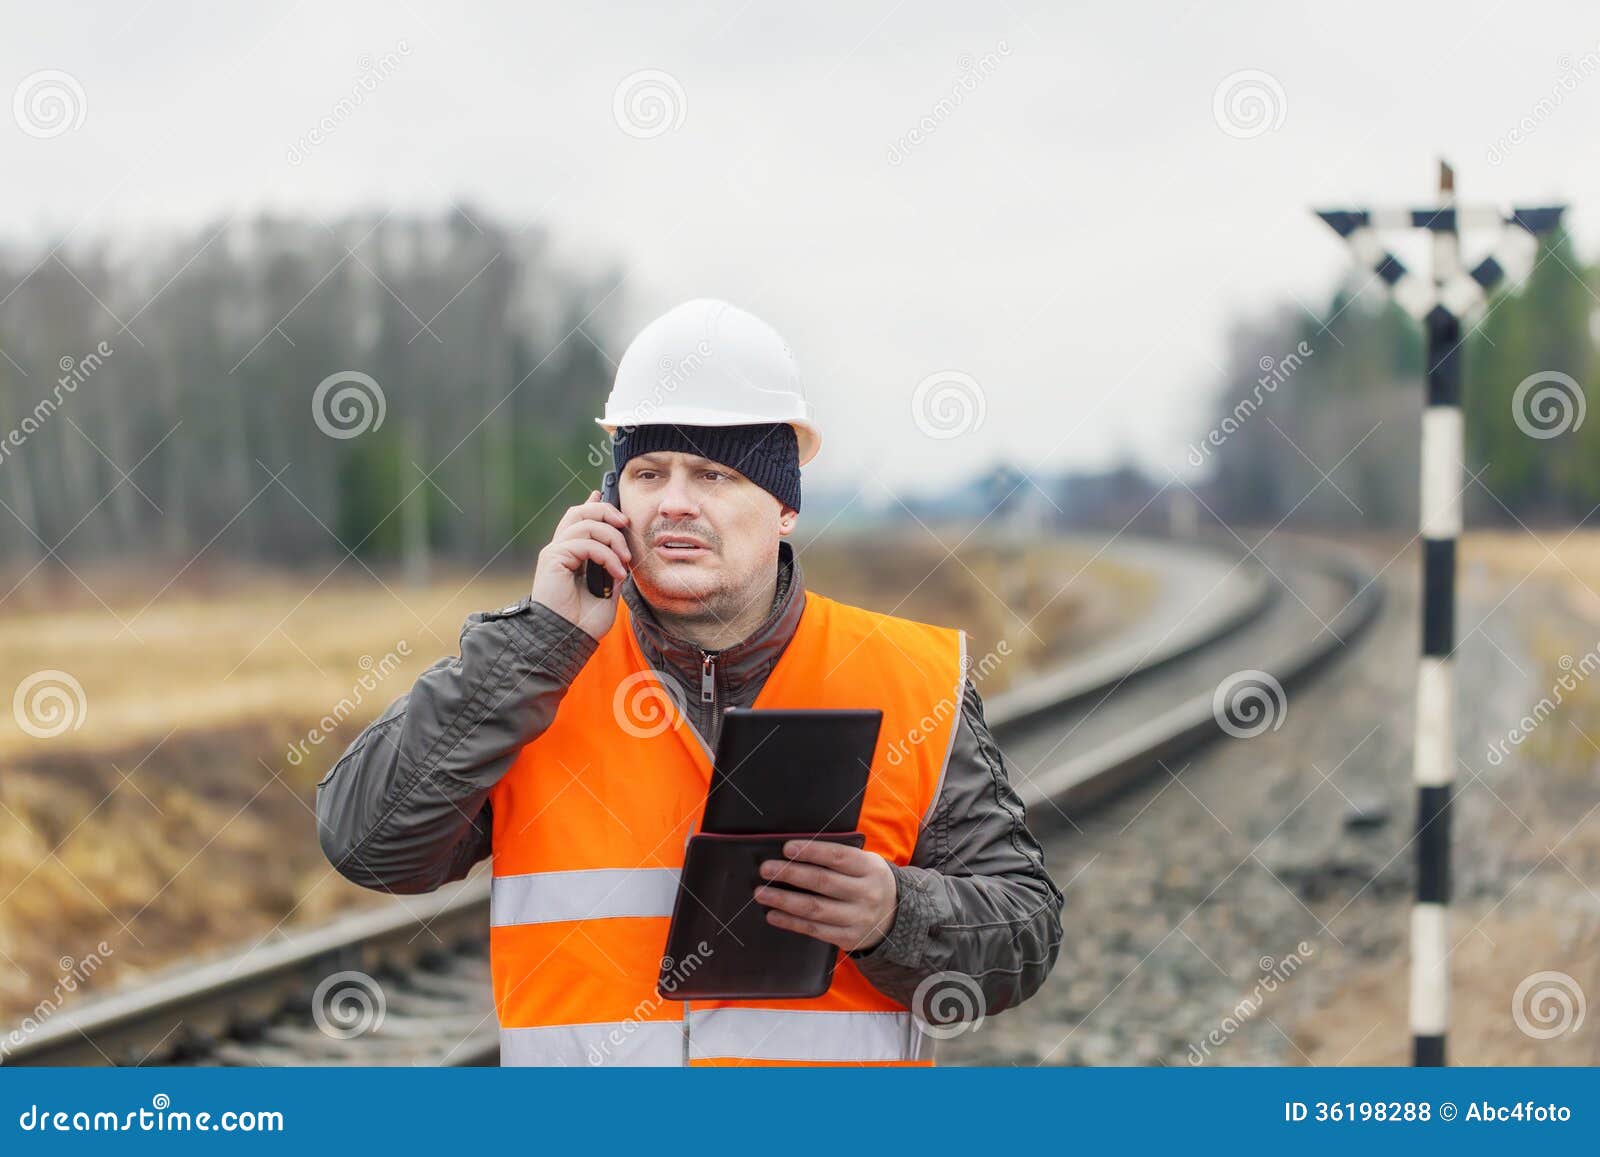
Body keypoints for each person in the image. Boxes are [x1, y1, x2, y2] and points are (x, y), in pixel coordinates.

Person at [316, 298, 1063, 1066]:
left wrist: (894, 914)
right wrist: (536, 640)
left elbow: (1024, 932)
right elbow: (371, 846)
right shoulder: (533, 675)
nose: (674, 500)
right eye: (647, 472)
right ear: (610, 501)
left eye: (713, 473)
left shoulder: (910, 676)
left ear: (782, 508)